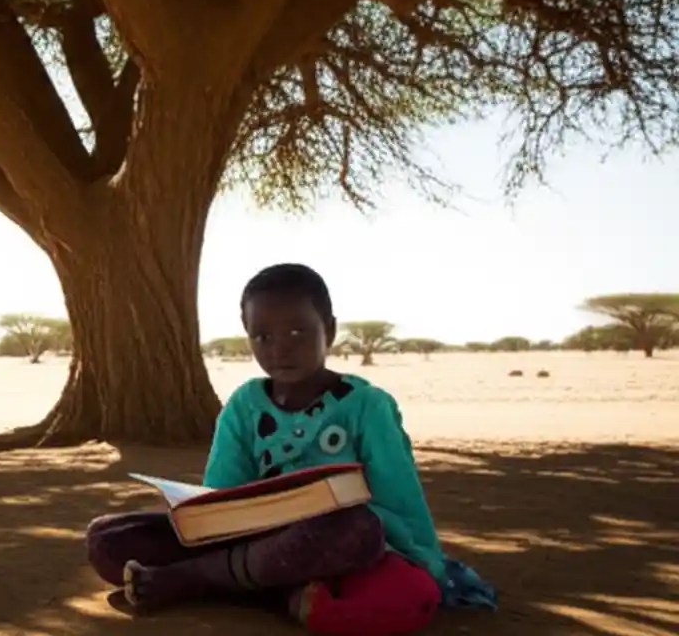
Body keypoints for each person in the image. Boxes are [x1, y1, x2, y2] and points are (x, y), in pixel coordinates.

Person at [86, 263, 494, 633]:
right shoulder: (244, 405)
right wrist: (209, 517)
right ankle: (274, 592)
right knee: (109, 539)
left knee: (379, 558)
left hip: (342, 545)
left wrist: (419, 560)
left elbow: (399, 501)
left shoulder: (367, 406)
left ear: (329, 331)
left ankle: (202, 581)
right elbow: (220, 503)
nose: (280, 348)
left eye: (298, 332)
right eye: (263, 336)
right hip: (257, 542)